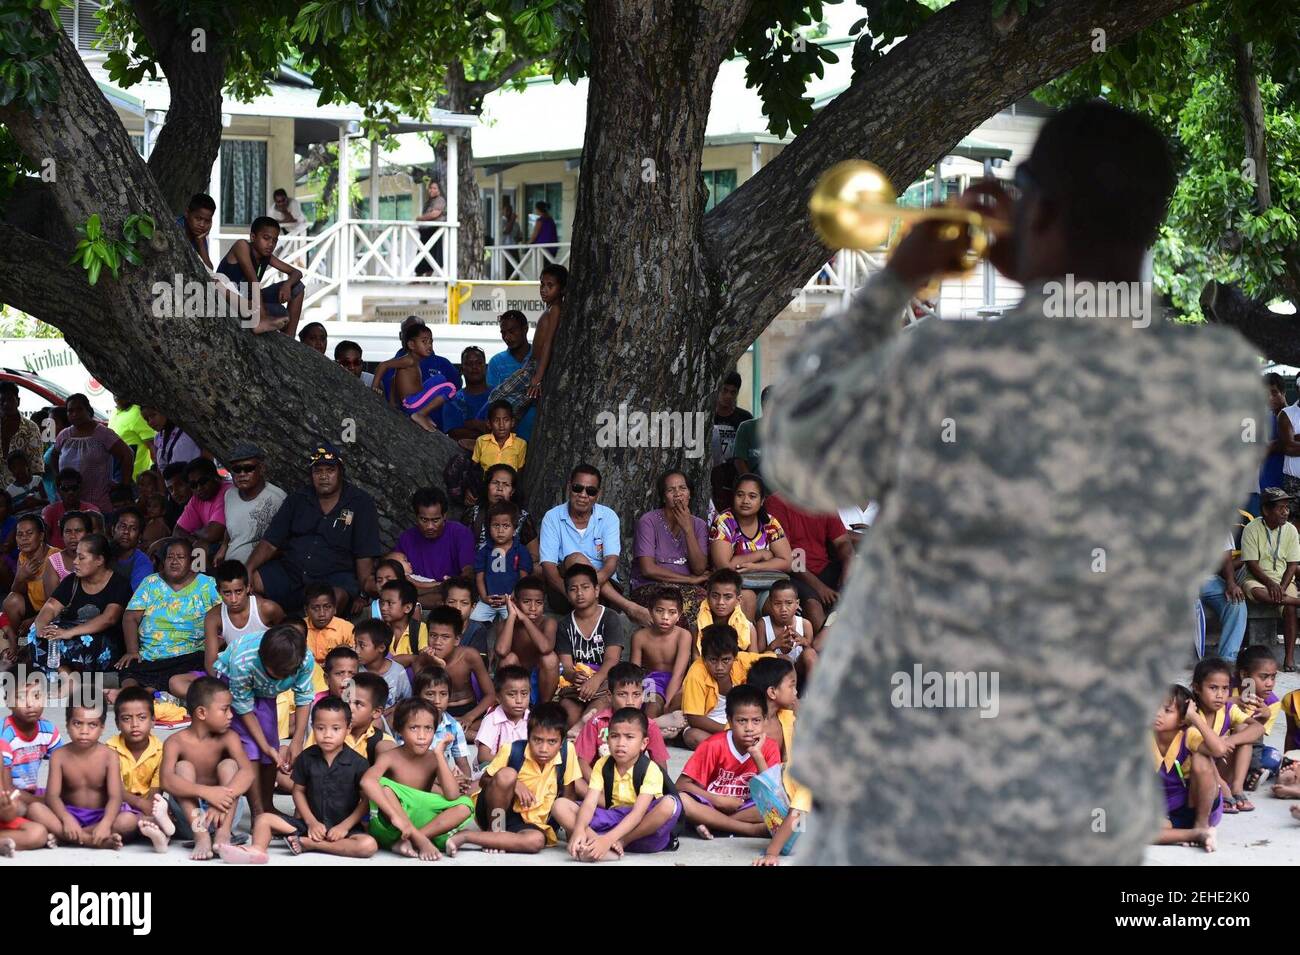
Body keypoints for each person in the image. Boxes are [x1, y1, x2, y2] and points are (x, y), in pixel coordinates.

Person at [763, 102, 1262, 865]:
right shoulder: (1221, 389)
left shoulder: (949, 368)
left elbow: (797, 449)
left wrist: (897, 280)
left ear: (1046, 209)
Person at [219, 696, 379, 864]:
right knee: (262, 819)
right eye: (320, 728)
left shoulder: (359, 763)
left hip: (343, 828)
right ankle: (257, 849)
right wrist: (311, 822)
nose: (327, 735)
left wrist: (344, 827)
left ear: (348, 729)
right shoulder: (306, 757)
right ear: (312, 728)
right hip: (307, 826)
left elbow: (366, 800)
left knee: (368, 845)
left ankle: (314, 845)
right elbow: (298, 791)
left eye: (336, 729)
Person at [246, 442, 381, 615]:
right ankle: (274, 624)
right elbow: (271, 542)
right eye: (318, 471)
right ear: (311, 475)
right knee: (249, 585)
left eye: (330, 470)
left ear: (341, 472)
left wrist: (363, 592)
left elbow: (364, 554)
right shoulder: (297, 499)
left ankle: (308, 636)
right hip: (291, 572)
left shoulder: (360, 503)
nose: (324, 476)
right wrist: (248, 569)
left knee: (334, 599)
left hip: (333, 577)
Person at [444, 703, 582, 856]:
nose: (544, 748)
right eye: (537, 740)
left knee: (535, 841)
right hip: (497, 811)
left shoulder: (568, 752)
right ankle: (495, 831)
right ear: (528, 737)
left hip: (534, 824)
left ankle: (467, 836)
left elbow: (569, 796)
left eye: (552, 742)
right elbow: (484, 781)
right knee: (507, 774)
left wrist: (573, 835)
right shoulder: (512, 749)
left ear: (561, 742)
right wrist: (515, 784)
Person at [211, 623, 314, 818]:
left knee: (272, 746)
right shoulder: (244, 661)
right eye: (277, 674)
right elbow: (243, 706)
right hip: (232, 685)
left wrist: (297, 740)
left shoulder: (304, 658)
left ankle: (267, 806)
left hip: (265, 692)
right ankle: (258, 813)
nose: (283, 679)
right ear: (263, 660)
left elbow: (303, 697)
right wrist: (264, 746)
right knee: (251, 748)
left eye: (287, 675)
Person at [361, 698, 474, 861]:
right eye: (414, 728)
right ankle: (418, 839)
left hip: (424, 822)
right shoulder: (390, 757)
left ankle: (415, 838)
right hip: (395, 823)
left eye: (428, 728)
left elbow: (452, 795)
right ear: (400, 730)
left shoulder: (434, 759)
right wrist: (395, 816)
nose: (422, 736)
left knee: (466, 804)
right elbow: (367, 781)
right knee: (383, 786)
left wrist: (439, 755)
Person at [539, 464, 649, 625]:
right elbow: (548, 567)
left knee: (580, 564)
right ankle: (628, 606)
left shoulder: (608, 516)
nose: (583, 495)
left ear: (598, 494)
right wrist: (574, 595)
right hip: (565, 590)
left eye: (590, 491)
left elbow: (611, 561)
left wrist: (590, 590)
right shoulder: (552, 517)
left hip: (604, 590)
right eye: (578, 488)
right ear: (569, 487)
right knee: (575, 559)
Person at [160, 676, 256, 860]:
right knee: (182, 767)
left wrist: (222, 800)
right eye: (225, 709)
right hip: (189, 819)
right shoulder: (175, 742)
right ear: (202, 713)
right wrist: (208, 793)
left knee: (229, 766)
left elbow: (248, 772)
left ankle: (223, 834)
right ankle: (201, 836)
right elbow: (166, 780)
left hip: (224, 814)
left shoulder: (230, 737)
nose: (231, 715)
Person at [568, 707, 682, 860]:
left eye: (629, 737)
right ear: (607, 740)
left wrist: (609, 839)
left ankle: (617, 844)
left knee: (670, 804)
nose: (621, 743)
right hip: (613, 818)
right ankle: (596, 844)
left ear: (644, 743)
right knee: (561, 806)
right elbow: (589, 803)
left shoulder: (650, 769)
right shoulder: (602, 764)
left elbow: (637, 814)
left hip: (642, 830)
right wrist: (580, 829)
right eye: (615, 736)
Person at [24, 702, 139, 850]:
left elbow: (115, 797)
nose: (84, 731)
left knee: (128, 821)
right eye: (77, 723)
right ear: (67, 725)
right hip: (68, 812)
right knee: (35, 809)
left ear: (102, 728)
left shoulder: (109, 756)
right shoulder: (59, 756)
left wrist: (106, 823)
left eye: (92, 725)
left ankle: (65, 837)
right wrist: (66, 818)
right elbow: (52, 797)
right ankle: (90, 840)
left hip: (101, 815)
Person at [114, 538, 220, 694]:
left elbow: (224, 617)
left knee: (197, 665)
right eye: (170, 557)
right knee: (129, 667)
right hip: (151, 656)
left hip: (190, 653)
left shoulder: (208, 584)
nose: (174, 561)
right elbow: (130, 618)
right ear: (163, 560)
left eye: (180, 557)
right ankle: (134, 695)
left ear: (191, 561)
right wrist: (132, 651)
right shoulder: (151, 582)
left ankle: (149, 692)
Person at [27, 533, 131, 682]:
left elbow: (109, 618)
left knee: (86, 640)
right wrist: (41, 627)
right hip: (70, 632)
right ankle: (65, 674)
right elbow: (51, 606)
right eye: (76, 556)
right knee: (34, 633)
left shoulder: (119, 584)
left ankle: (68, 677)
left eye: (81, 558)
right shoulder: (72, 580)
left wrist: (69, 633)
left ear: (99, 560)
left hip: (102, 637)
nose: (75, 562)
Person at [676, 684, 776, 839]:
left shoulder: (770, 747)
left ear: (765, 720)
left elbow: (773, 793)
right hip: (711, 805)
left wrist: (757, 755)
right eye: (742, 721)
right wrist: (717, 800)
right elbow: (681, 785)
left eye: (756, 721)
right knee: (682, 800)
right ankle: (749, 830)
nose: (749, 728)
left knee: (783, 805)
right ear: (729, 720)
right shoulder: (713, 745)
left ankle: (714, 825)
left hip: (746, 807)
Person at [746, 656, 812, 864]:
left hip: (777, 793)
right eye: (792, 686)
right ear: (772, 692)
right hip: (754, 791)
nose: (796, 692)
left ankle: (720, 822)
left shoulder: (789, 717)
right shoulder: (748, 725)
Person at [554, 563, 632, 728]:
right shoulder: (565, 624)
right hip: (576, 687)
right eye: (573, 589)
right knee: (568, 716)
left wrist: (595, 680)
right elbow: (567, 666)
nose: (580, 593)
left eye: (585, 587)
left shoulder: (610, 618)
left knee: (593, 718)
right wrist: (573, 676)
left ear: (596, 590)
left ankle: (579, 731)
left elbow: (612, 660)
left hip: (603, 682)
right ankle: (575, 730)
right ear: (567, 594)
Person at [765, 491, 852, 635]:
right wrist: (820, 588)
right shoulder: (777, 502)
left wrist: (848, 564)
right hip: (793, 574)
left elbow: (842, 541)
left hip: (823, 568)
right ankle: (823, 652)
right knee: (813, 606)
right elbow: (785, 555)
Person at [630, 470, 710, 628]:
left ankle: (697, 652)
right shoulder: (649, 521)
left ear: (690, 494)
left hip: (687, 588)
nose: (678, 494)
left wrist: (688, 530)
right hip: (651, 585)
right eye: (670, 490)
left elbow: (699, 569)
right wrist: (689, 580)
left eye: (682, 488)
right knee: (680, 605)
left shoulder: (698, 525)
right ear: (663, 497)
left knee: (705, 604)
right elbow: (648, 569)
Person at [709, 473, 793, 622]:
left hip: (765, 583)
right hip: (731, 586)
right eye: (740, 495)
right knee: (747, 597)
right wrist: (760, 554)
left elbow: (786, 562)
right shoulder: (725, 521)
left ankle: (771, 644)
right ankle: (746, 644)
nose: (745, 501)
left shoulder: (770, 523)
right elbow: (725, 566)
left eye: (752, 496)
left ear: (762, 501)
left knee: (781, 603)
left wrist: (754, 567)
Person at [486, 266, 566, 419]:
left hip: (534, 368)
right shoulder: (550, 309)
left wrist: (538, 377)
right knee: (516, 406)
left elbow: (548, 343)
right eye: (542, 284)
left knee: (495, 397)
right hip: (533, 366)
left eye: (550, 286)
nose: (544, 289)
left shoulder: (555, 309)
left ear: (562, 289)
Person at [1151, 683, 1222, 853]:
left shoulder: (1188, 735)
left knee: (1201, 759)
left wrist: (1194, 717)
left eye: (1167, 711)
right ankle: (1196, 835)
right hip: (1167, 810)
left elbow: (1218, 749)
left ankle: (1201, 824)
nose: (1157, 713)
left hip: (1196, 804)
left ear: (1182, 719)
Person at [573, 662, 671, 778]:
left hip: (631, 785)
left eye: (636, 694)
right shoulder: (597, 722)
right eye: (622, 694)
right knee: (575, 779)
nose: (630, 701)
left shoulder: (649, 725)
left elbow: (661, 769)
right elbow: (582, 763)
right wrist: (599, 790)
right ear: (610, 696)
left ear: (643, 696)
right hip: (597, 781)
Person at [1239, 487, 1300, 671]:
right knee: (1257, 592)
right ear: (1266, 510)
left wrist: (1281, 586)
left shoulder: (1290, 530)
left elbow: (1292, 564)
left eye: (1287, 508)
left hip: (1283, 580)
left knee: (1289, 608)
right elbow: (1251, 563)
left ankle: (1289, 659)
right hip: (1257, 579)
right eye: (1281, 508)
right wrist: (1270, 583)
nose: (1286, 512)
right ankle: (1297, 601)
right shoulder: (1251, 528)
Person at [107, 686, 173, 853]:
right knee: (123, 822)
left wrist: (150, 807)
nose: (135, 724)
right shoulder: (109, 749)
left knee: (167, 816)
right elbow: (115, 790)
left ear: (153, 721)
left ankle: (153, 829)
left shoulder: (160, 751)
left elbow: (156, 791)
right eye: (127, 719)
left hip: (148, 806)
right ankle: (151, 830)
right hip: (119, 805)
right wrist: (140, 804)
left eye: (142, 718)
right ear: (117, 723)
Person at [213, 216, 306, 336]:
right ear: (253, 237)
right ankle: (259, 322)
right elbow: (253, 281)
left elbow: (297, 273)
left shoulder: (267, 257)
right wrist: (262, 317)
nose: (271, 244)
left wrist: (288, 284)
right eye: (266, 238)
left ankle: (290, 337)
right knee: (281, 313)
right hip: (231, 300)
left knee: (297, 287)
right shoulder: (241, 246)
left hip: (251, 300)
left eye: (275, 240)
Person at [681, 624, 767, 750]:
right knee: (692, 736)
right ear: (704, 658)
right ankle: (733, 748)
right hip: (711, 726)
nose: (719, 667)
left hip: (742, 721)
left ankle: (728, 748)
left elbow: (781, 660)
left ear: (735, 657)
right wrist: (731, 729)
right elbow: (694, 718)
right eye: (713, 660)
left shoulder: (743, 661)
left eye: (726, 660)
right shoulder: (696, 673)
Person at [49, 394, 133, 514]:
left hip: (98, 501)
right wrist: (58, 477)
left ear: (88, 410)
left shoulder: (103, 433)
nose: (74, 414)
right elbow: (53, 455)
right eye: (70, 411)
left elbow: (127, 455)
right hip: (71, 502)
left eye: (79, 409)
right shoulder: (64, 435)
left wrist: (124, 485)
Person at [372, 320, 459, 433]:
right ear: (412, 345)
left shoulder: (414, 361)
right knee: (450, 388)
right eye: (424, 342)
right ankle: (421, 414)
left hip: (412, 401)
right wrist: (375, 386)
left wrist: (393, 404)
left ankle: (422, 413)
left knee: (440, 378)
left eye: (430, 342)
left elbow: (394, 378)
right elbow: (383, 365)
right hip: (411, 403)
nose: (429, 346)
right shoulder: (408, 360)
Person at [393, 487, 475, 602]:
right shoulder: (406, 538)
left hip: (448, 595)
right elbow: (393, 574)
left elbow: (468, 570)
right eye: (424, 520)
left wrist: (456, 582)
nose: (430, 526)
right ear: (416, 517)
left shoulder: (461, 534)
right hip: (417, 593)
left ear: (444, 516)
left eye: (435, 520)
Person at [421, 605, 494, 733]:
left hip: (468, 711)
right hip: (434, 713)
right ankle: (458, 733)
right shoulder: (423, 659)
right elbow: (420, 696)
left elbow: (491, 695)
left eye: (445, 637)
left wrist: (469, 717)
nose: (437, 642)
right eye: (433, 635)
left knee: (494, 721)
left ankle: (455, 732)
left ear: (456, 640)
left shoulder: (469, 655)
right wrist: (438, 667)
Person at [494, 577, 560, 705]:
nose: (533, 608)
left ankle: (544, 707)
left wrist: (525, 619)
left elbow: (545, 648)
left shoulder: (548, 623)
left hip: (541, 681)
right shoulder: (505, 624)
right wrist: (512, 616)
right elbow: (502, 652)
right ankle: (514, 705)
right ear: (515, 603)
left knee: (550, 658)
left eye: (538, 603)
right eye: (527, 602)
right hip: (515, 682)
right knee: (509, 658)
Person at [218, 444, 286, 566]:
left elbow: (283, 545)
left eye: (248, 468)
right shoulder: (229, 495)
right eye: (237, 470)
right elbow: (232, 526)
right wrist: (223, 548)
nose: (242, 474)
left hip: (260, 570)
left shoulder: (278, 498)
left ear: (262, 468)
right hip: (230, 568)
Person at [629, 588, 692, 719]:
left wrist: (668, 705)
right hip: (652, 681)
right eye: (659, 611)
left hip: (678, 682)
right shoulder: (640, 637)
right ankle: (654, 728)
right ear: (651, 612)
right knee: (652, 703)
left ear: (679, 614)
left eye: (672, 612)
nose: (665, 617)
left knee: (683, 698)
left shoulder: (683, 635)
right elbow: (634, 673)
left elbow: (679, 674)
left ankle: (666, 722)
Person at [1, 514, 55, 657]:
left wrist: (36, 618)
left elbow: (59, 601)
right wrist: (20, 576)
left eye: (29, 533)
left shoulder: (55, 557)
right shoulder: (23, 556)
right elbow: (17, 591)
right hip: (33, 606)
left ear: (41, 536)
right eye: (20, 534)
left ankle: (25, 647)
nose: (24, 538)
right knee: (11, 600)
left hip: (55, 612)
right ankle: (19, 643)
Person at [472, 501, 533, 624]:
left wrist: (511, 597)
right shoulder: (484, 551)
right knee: (473, 620)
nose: (500, 531)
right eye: (496, 525)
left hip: (511, 600)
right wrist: (484, 597)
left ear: (514, 528)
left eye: (506, 526)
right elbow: (479, 577)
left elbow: (523, 578)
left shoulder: (520, 550)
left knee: (513, 622)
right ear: (489, 527)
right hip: (488, 600)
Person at [410, 667, 473, 784]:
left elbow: (463, 764)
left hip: (445, 782)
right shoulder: (409, 724)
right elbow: (407, 767)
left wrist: (465, 782)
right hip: (415, 782)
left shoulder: (453, 726)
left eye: (443, 694)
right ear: (418, 696)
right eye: (430, 694)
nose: (437, 701)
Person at [463, 463, 539, 559]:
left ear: (512, 491)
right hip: (478, 568)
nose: (499, 489)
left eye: (506, 485)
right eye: (495, 483)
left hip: (512, 569)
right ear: (487, 486)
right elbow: (460, 548)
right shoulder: (473, 513)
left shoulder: (522, 517)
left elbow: (535, 555)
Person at [486, 311, 538, 442]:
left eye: (512, 331)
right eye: (503, 333)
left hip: (539, 439)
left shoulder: (540, 358)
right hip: (507, 443)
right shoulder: (496, 362)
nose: (507, 337)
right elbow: (493, 404)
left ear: (525, 329)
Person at [754, 578, 818, 683]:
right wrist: (774, 644)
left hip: (799, 670)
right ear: (770, 604)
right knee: (784, 659)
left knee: (810, 653)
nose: (783, 608)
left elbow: (811, 655)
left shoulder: (805, 624)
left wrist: (804, 642)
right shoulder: (763, 624)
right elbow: (759, 657)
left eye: (789, 603)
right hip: (775, 674)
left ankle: (814, 693)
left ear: (797, 604)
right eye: (777, 603)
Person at [1195, 533, 1247, 661]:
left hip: (1209, 579)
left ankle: (1228, 659)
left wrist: (1231, 583)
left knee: (1236, 602)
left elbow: (1226, 559)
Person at [474, 665, 531, 766]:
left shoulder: (532, 720)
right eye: (512, 694)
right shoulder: (492, 719)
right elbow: (483, 757)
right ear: (498, 697)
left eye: (524, 694)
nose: (519, 700)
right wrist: (513, 764)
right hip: (494, 769)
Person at [171, 458, 227, 558]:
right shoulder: (197, 497)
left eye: (203, 481)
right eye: (193, 485)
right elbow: (177, 531)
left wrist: (195, 532)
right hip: (205, 544)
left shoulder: (227, 492)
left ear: (215, 477)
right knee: (163, 546)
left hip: (227, 547)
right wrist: (195, 539)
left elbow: (212, 534)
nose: (199, 488)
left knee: (200, 550)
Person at [354, 618, 410, 713]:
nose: (356, 650)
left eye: (362, 645)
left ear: (381, 647)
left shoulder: (398, 671)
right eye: (355, 645)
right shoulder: (355, 670)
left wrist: (393, 709)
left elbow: (408, 701)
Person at [443, 346, 493, 447]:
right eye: (469, 364)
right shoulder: (453, 400)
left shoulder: (498, 396)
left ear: (485, 367)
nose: (474, 367)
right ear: (462, 369)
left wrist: (473, 424)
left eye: (479, 363)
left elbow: (505, 431)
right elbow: (455, 433)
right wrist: (486, 431)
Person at [694, 568, 753, 651]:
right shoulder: (699, 626)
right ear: (707, 597)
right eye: (715, 596)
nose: (720, 602)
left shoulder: (748, 628)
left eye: (728, 597)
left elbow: (754, 659)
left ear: (738, 600)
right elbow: (696, 658)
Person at [0, 382, 44, 491]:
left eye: (10, 399)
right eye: (1, 401)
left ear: (18, 401)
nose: (6, 404)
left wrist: (31, 495)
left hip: (22, 495)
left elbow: (37, 466)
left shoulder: (30, 428)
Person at [40, 470, 100, 550]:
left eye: (74, 488)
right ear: (58, 490)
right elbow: (44, 540)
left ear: (80, 488)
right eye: (65, 489)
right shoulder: (49, 511)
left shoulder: (92, 510)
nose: (70, 492)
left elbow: (97, 541)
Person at [378, 578, 427, 669]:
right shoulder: (378, 629)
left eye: (390, 603)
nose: (383, 608)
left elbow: (423, 659)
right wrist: (411, 658)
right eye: (382, 603)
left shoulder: (420, 629)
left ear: (407, 608)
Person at [141, 408, 203, 478]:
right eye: (146, 419)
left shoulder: (188, 429)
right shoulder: (158, 437)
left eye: (153, 415)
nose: (150, 422)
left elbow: (207, 453)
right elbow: (160, 469)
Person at [107, 396, 156, 482]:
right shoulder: (114, 411)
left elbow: (153, 447)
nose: (116, 396)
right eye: (114, 392)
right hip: (116, 478)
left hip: (137, 481)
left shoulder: (138, 413)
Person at [108, 506, 152, 590]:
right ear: (113, 530)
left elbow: (138, 597)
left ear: (139, 536)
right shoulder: (102, 553)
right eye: (123, 526)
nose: (126, 532)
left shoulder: (143, 563)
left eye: (133, 528)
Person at [731, 385, 769, 476]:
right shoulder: (746, 428)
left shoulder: (790, 431)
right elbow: (739, 460)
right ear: (762, 404)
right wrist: (751, 485)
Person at [1276, 374, 1300, 509]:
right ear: (1298, 388)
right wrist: (1291, 441)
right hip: (1294, 483)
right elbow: (1289, 447)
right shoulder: (1286, 413)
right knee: (1291, 526)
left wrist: (1296, 439)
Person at [414, 180, 447, 276]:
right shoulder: (428, 201)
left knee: (431, 256)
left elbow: (435, 214)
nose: (431, 190)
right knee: (422, 256)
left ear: (439, 190)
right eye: (430, 188)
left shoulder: (440, 200)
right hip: (426, 231)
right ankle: (419, 278)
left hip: (433, 231)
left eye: (434, 188)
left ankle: (427, 279)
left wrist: (420, 218)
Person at [177, 193, 215, 270]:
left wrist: (200, 242)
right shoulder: (175, 227)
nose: (202, 225)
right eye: (198, 218)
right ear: (187, 213)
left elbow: (209, 270)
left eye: (207, 221)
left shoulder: (199, 235)